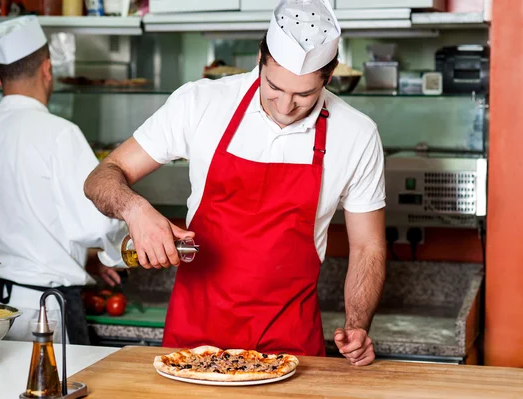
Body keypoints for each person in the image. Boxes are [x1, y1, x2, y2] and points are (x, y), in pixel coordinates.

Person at [84, 0, 386, 365]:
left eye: (304, 95)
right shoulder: (202, 103)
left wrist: (357, 324)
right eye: (274, 86)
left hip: (289, 345)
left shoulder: (356, 134)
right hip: (193, 339)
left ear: (330, 74)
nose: (286, 105)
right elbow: (103, 175)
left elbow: (368, 245)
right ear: (261, 56)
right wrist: (136, 210)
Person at [0, 16, 127, 345]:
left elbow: (2, 225)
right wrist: (115, 256)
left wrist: (83, 258)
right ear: (47, 68)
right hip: (45, 309)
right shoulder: (61, 134)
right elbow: (99, 223)